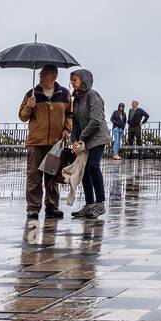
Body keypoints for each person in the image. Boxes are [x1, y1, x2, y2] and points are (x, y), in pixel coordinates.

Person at [19, 65, 72, 222]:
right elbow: (22, 116)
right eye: (40, 74)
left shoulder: (64, 93)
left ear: (53, 77)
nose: (41, 77)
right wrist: (29, 106)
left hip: (55, 143)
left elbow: (70, 115)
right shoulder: (32, 94)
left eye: (44, 75)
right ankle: (33, 208)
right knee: (34, 175)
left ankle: (52, 206)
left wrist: (67, 129)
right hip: (36, 142)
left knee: (52, 176)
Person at [68, 68, 108, 219]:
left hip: (97, 137)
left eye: (75, 80)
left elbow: (96, 120)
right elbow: (76, 123)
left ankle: (100, 203)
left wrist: (82, 138)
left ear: (84, 81)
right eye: (71, 80)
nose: (72, 83)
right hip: (84, 139)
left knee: (93, 166)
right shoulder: (77, 98)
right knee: (84, 169)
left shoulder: (93, 96)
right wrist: (74, 140)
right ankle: (89, 204)